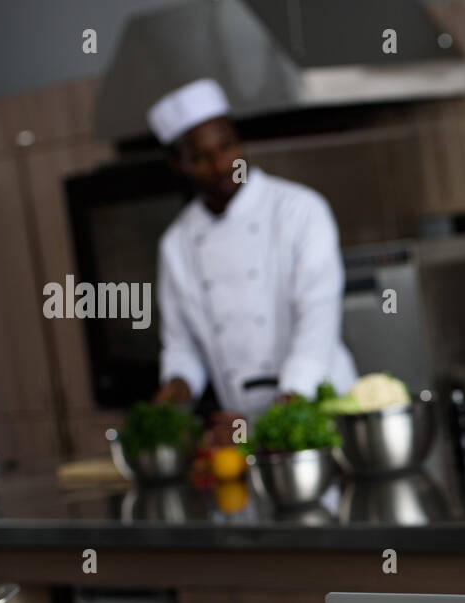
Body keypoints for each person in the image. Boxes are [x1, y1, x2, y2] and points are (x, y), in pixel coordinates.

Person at [148, 78, 357, 425]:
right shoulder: (177, 244)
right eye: (200, 157)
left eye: (226, 146)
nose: (220, 165)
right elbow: (182, 345)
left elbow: (318, 317)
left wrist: (288, 405)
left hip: (321, 407)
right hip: (242, 422)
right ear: (178, 165)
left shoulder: (300, 210)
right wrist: (177, 386)